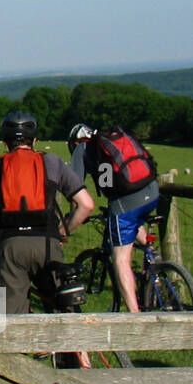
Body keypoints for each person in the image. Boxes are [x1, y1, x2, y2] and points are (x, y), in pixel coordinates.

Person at [0, 110, 94, 315]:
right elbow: (86, 205)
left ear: (5, 142)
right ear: (35, 140)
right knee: (63, 311)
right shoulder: (53, 162)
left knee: (11, 320)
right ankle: (76, 347)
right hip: (47, 244)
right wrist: (63, 230)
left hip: (9, 247)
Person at [66, 123, 160, 314]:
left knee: (120, 259)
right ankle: (154, 260)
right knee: (134, 221)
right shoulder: (106, 146)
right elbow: (108, 184)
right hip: (151, 191)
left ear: (75, 141)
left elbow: (76, 190)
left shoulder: (82, 149)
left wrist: (73, 217)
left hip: (127, 202)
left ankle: (135, 316)